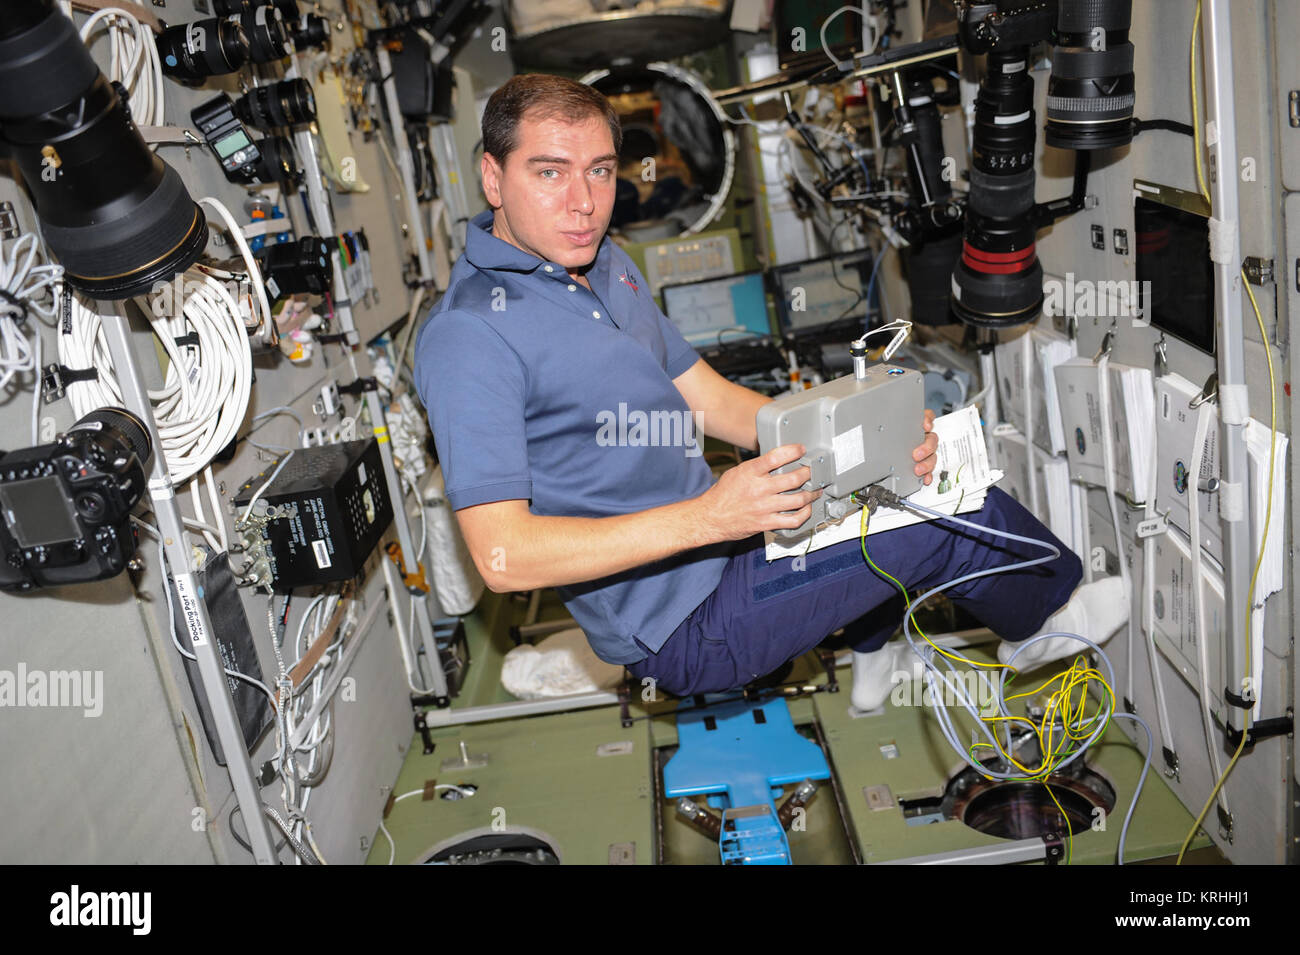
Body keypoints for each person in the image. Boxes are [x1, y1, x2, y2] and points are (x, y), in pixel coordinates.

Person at [413, 74, 1126, 708]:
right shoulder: (469, 336)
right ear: (493, 177)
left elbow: (711, 400)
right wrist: (711, 518)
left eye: (599, 171)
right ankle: (1043, 620)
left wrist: (861, 438)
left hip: (725, 545)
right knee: (944, 516)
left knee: (913, 470)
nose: (583, 203)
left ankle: (875, 653)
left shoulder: (605, 265)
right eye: (549, 172)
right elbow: (503, 558)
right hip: (679, 626)